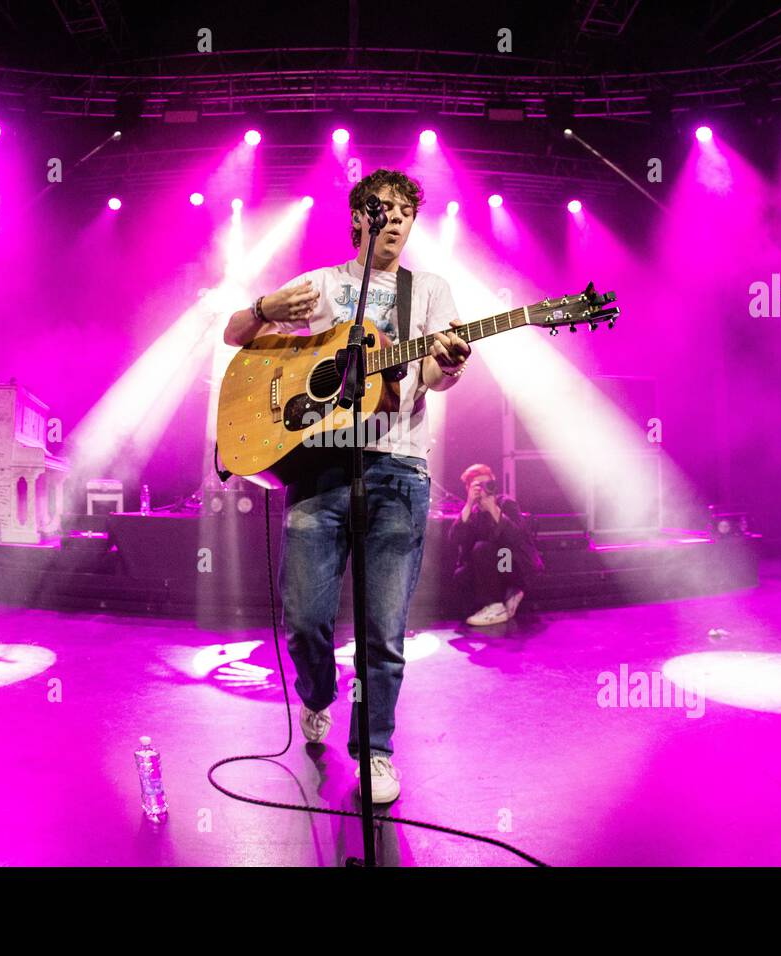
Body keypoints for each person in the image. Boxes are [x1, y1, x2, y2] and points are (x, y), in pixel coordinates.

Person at [222, 168, 469, 803]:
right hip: (319, 470)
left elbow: (437, 383)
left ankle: (375, 750)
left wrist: (447, 364)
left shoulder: (431, 291)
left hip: (399, 470)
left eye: (407, 214)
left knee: (383, 632)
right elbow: (235, 335)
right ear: (360, 217)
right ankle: (318, 694)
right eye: (384, 211)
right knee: (306, 619)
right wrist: (263, 310)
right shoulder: (324, 284)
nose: (397, 223)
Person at [448, 463, 542, 626]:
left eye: (488, 484)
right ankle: (495, 602)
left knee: (483, 549)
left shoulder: (506, 504)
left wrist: (493, 509)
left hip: (512, 565)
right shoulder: (474, 513)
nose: (484, 489)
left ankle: (497, 605)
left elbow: (517, 539)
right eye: (478, 486)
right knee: (461, 574)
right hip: (492, 572)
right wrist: (469, 505)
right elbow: (454, 539)